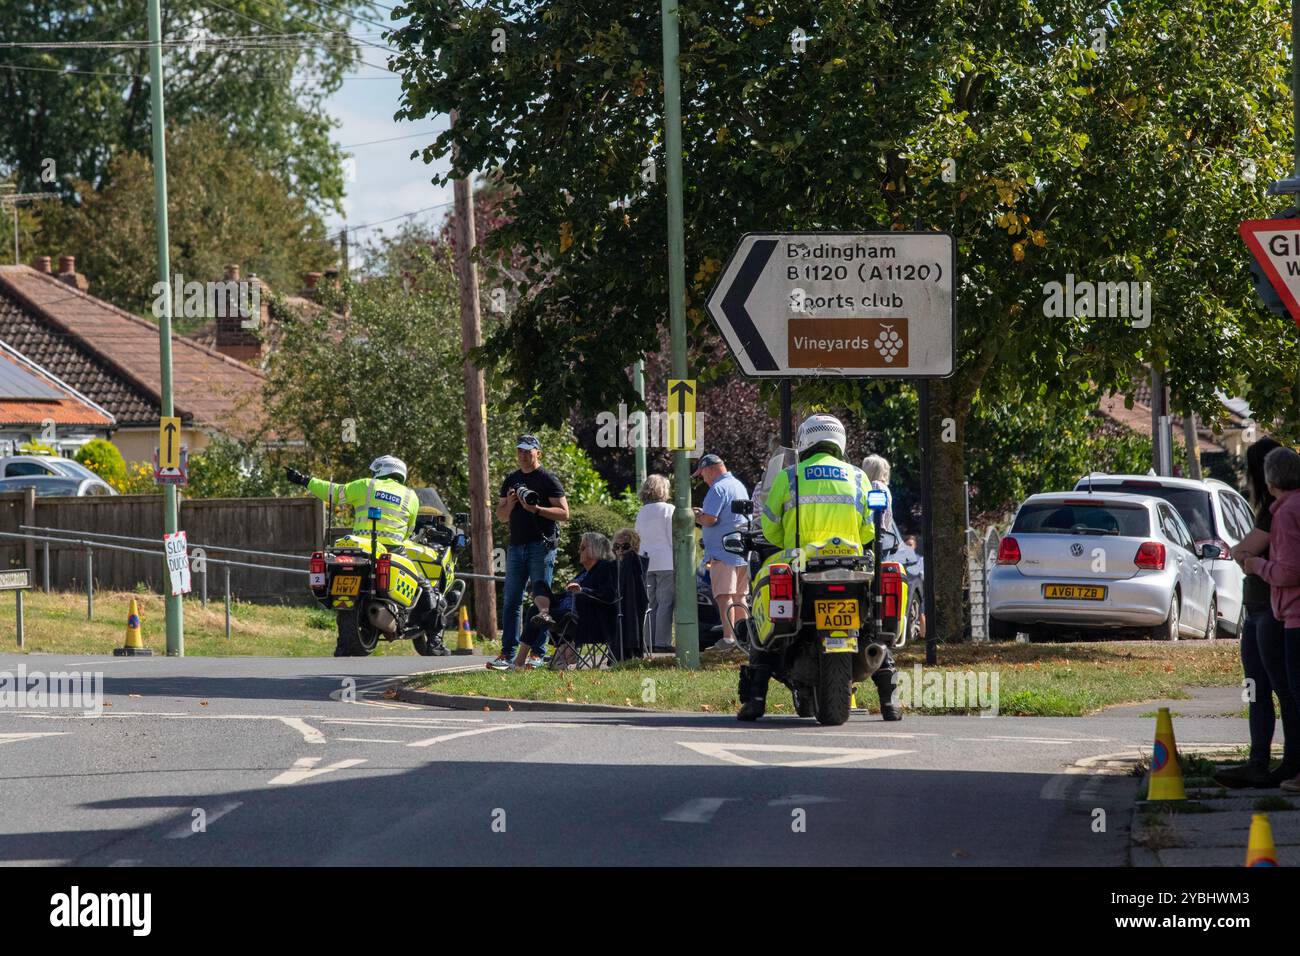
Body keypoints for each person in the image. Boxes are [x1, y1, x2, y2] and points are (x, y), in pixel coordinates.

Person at [739, 413, 898, 721]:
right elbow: (869, 530)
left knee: (764, 620)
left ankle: (756, 699)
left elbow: (769, 527)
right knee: (870, 627)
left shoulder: (790, 476)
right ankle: (889, 702)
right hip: (852, 565)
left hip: (800, 562)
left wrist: (787, 539)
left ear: (805, 441)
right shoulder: (857, 477)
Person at [285, 455, 446, 656]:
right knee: (427, 589)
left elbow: (333, 492)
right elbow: (408, 530)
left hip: (359, 548)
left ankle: (343, 644)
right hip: (392, 549)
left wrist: (304, 479)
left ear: (381, 470)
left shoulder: (366, 485)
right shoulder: (410, 496)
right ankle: (435, 643)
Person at [1236, 443, 1300, 792]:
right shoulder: (1276, 509)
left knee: (1281, 689)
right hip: (1267, 608)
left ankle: (1283, 762)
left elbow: (1245, 552)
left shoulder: (1281, 512)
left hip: (1273, 609)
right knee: (1259, 688)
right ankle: (1261, 760)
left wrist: (1256, 563)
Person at [489, 435, 570, 671]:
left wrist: (536, 509)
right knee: (512, 601)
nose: (523, 455)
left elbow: (565, 513)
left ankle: (537, 652)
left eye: (528, 451)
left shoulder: (547, 479)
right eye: (520, 451)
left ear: (538, 453)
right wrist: (512, 504)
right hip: (516, 547)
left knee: (540, 602)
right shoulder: (512, 479)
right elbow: (501, 516)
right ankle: (507, 653)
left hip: (540, 547)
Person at [517, 532, 618, 668]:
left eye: (583, 548)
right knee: (539, 585)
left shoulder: (605, 568)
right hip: (565, 610)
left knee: (537, 610)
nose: (579, 551)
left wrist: (582, 591)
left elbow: (609, 595)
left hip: (583, 616)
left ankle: (519, 661)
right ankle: (544, 613)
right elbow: (567, 595)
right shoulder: (584, 572)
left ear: (596, 549)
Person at [692, 454, 750, 653]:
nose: (703, 479)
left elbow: (710, 520)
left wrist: (697, 516)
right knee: (740, 596)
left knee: (724, 595)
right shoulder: (738, 485)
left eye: (702, 475)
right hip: (741, 551)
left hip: (722, 553)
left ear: (710, 469)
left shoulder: (717, 488)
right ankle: (744, 637)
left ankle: (729, 638)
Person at [635, 474, 675, 651]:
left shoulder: (642, 512)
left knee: (650, 604)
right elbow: (673, 538)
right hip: (666, 561)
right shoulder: (669, 510)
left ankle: (648, 641)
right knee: (665, 603)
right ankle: (662, 642)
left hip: (646, 561)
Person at [861, 454, 896, 550]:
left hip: (874, 536)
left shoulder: (875, 485)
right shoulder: (884, 487)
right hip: (884, 536)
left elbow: (874, 514)